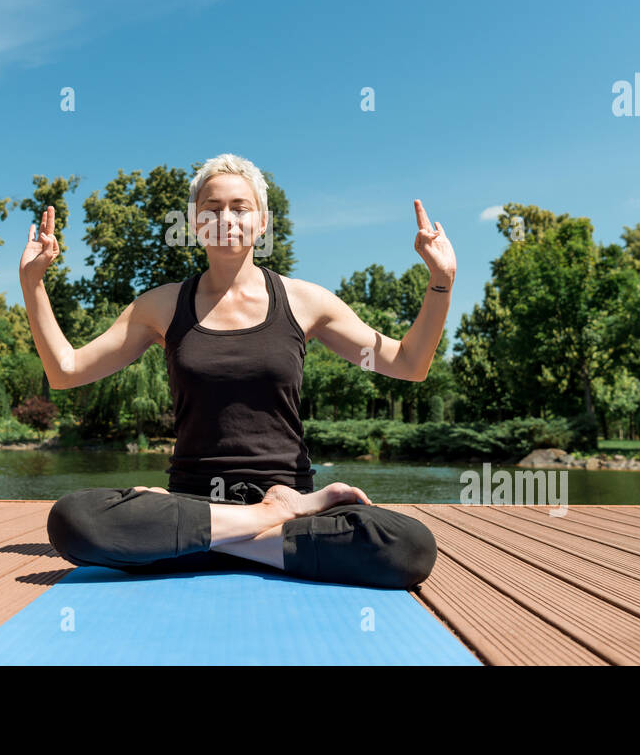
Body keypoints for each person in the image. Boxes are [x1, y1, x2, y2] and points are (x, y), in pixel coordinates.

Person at [23, 153, 457, 589]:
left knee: (409, 546)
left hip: (282, 495)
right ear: (194, 222)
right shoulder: (162, 306)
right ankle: (263, 527)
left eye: (240, 207)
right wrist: (33, 284)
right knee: (72, 520)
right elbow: (66, 371)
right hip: (198, 502)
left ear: (262, 221)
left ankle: (202, 543)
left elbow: (408, 364)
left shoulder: (307, 302)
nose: (225, 218)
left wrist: (441, 283)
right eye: (211, 209)